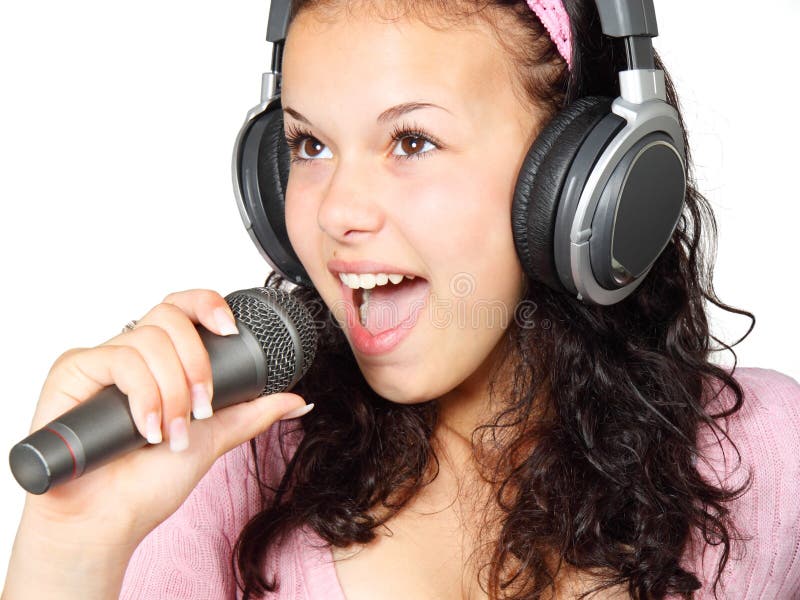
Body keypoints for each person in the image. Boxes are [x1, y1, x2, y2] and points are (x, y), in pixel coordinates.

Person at [3, 0, 800, 598]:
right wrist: (74, 548)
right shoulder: (214, 467)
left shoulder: (771, 455)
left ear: (582, 185)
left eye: (411, 141)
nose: (339, 211)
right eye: (308, 145)